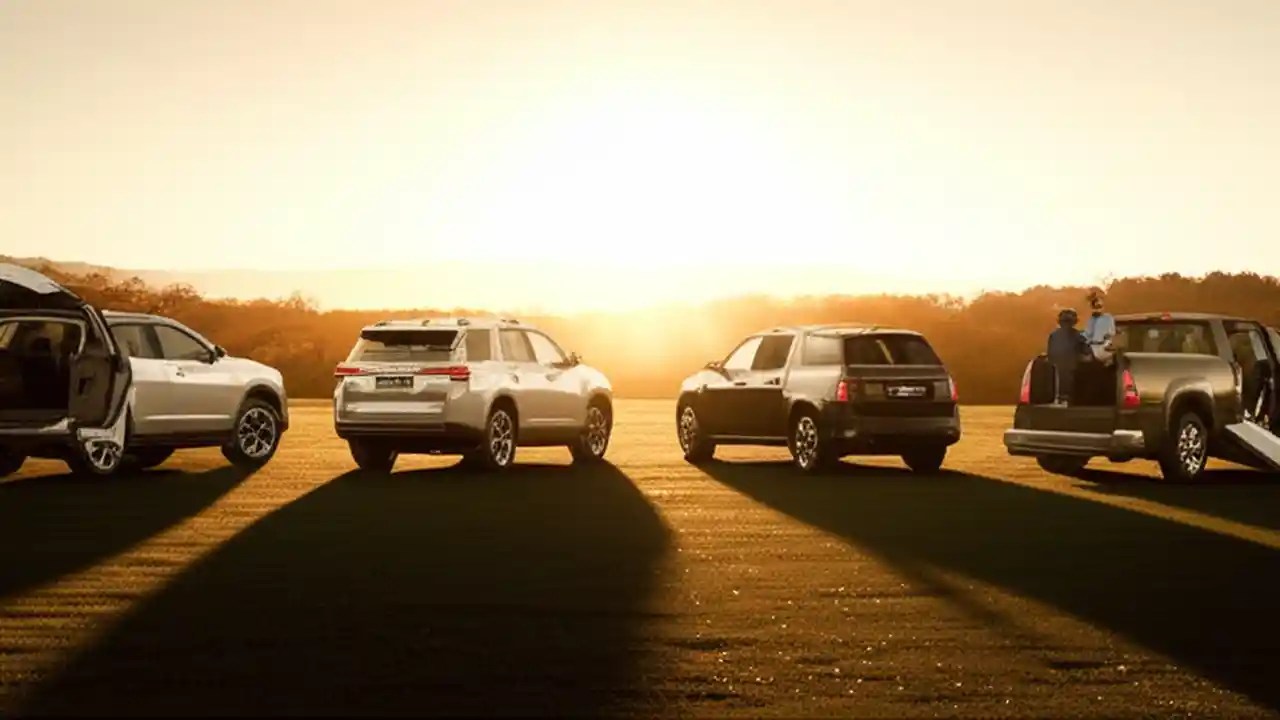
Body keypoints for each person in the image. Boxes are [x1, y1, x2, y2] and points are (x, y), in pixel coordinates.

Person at [1048, 308, 1088, 405]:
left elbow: (1050, 354)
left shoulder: (1053, 335)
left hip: (1058, 369)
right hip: (1073, 369)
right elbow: (1087, 352)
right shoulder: (1078, 335)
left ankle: (1062, 398)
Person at [1082, 288, 1116, 364]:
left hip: (1104, 348)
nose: (1097, 309)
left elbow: (1111, 333)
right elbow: (1087, 334)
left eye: (1099, 307)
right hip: (1092, 348)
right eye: (1095, 307)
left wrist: (1106, 344)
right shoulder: (1091, 319)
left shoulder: (1108, 318)